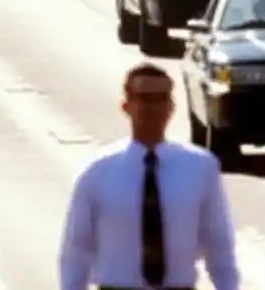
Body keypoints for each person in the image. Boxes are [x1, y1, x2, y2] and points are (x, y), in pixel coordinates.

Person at [58, 63, 239, 290]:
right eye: (143, 98)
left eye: (160, 98)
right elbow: (76, 250)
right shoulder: (98, 172)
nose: (152, 107)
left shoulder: (200, 168)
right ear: (127, 106)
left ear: (171, 106)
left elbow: (218, 245)